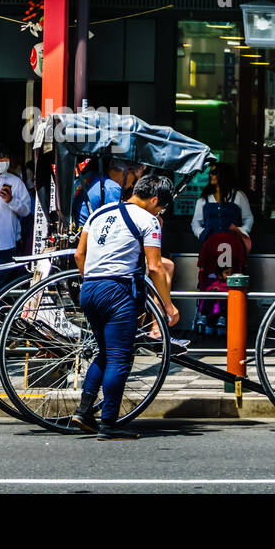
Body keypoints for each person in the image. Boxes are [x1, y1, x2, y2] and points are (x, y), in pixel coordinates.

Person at [70, 174, 180, 440]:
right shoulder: (148, 220)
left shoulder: (99, 212)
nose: (160, 212)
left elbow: (78, 254)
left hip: (90, 288)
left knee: (105, 353)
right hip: (118, 291)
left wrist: (93, 279)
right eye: (161, 207)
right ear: (154, 200)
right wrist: (168, 305)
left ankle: (84, 412)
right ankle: (108, 423)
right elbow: (154, 267)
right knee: (120, 357)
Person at [190, 163, 254, 251]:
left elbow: (248, 218)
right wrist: (201, 233)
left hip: (233, 245)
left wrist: (241, 231)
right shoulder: (204, 198)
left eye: (214, 172)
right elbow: (195, 222)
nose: (210, 175)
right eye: (210, 172)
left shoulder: (238, 196)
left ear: (224, 175)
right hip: (210, 244)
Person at [0, 146, 31, 265]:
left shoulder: (15, 182)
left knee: (5, 277)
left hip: (6, 241)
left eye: (7, 158)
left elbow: (26, 211)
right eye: (1, 159)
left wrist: (11, 200)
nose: (5, 161)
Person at [75, 159, 143, 228]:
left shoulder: (92, 175)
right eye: (135, 180)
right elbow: (114, 225)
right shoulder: (112, 188)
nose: (132, 185)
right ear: (128, 173)